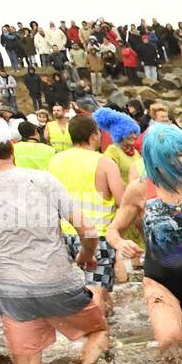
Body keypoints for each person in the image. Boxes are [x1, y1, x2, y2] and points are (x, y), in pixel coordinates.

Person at [0, 118, 109, 364]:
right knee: (98, 333)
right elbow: (88, 230)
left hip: (14, 294)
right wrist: (85, 255)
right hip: (58, 282)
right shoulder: (43, 181)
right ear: (12, 146)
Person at [106, 125, 182, 364]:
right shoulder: (140, 190)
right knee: (169, 341)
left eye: (180, 155)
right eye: (168, 158)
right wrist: (120, 243)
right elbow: (112, 230)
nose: (175, 162)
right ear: (153, 160)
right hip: (160, 281)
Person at [48, 113, 125, 310]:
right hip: (96, 234)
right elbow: (122, 201)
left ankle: (96, 335)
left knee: (78, 294)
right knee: (97, 291)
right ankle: (100, 335)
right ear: (93, 136)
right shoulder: (104, 162)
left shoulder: (54, 161)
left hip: (64, 236)